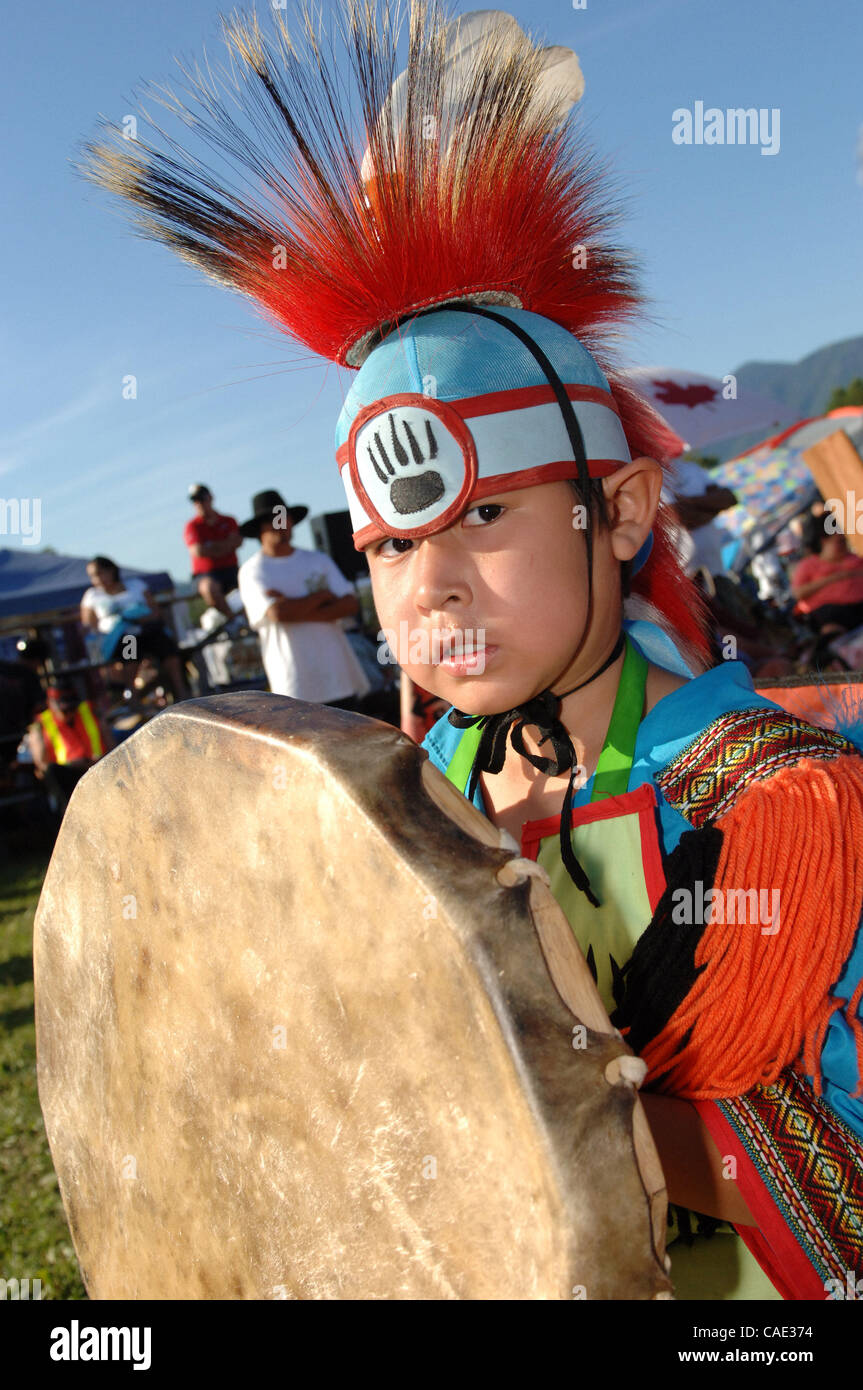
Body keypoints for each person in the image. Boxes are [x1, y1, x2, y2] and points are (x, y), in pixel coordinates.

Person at [85, 1, 863, 1300]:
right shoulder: (386, 804)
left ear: (614, 510)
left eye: (483, 518)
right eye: (388, 547)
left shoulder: (779, 807)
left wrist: (538, 1125)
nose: (427, 582)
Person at [237, 490, 370, 708]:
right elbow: (278, 614)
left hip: (338, 676)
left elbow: (349, 604)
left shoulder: (318, 560)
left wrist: (292, 605)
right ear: (261, 528)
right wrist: (322, 597)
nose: (282, 524)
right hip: (294, 685)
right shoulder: (252, 570)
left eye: (285, 517)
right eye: (274, 519)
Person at [80, 556, 190, 701]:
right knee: (131, 650)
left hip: (147, 631)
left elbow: (155, 612)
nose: (97, 578)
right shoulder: (92, 596)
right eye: (93, 576)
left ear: (111, 570)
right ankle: (133, 697)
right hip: (120, 638)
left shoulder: (135, 585)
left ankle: (181, 693)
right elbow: (88, 625)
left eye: (99, 573)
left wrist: (137, 618)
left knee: (167, 648)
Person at [29, 680, 113, 811]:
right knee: (53, 771)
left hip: (98, 767)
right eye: (65, 709)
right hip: (69, 776)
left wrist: (92, 762)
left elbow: (111, 744)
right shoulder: (42, 724)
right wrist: (73, 765)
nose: (69, 713)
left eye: (72, 708)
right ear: (51, 704)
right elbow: (42, 766)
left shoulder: (90, 711)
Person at [791, 512, 863, 634]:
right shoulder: (809, 565)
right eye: (839, 542)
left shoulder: (854, 559)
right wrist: (834, 578)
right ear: (824, 541)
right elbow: (798, 593)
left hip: (859, 608)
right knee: (831, 630)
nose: (843, 546)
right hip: (831, 617)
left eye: (844, 541)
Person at [183, 484, 243, 619]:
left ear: (210, 498)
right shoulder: (192, 526)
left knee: (251, 580)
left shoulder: (228, 520)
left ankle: (247, 619)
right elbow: (198, 551)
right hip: (205, 574)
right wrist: (225, 546)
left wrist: (211, 548)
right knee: (209, 588)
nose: (199, 503)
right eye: (195, 500)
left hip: (232, 569)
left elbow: (237, 542)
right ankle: (233, 619)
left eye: (202, 498)